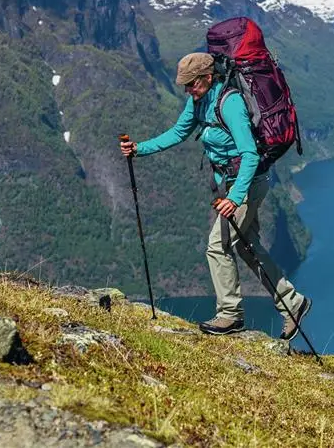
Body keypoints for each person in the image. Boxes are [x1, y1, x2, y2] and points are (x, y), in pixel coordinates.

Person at [120, 52, 311, 339]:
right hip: (230, 184)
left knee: (217, 246)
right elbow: (178, 132)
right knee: (247, 247)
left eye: (191, 84)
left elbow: (249, 155)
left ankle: (230, 315)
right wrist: (140, 148)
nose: (187, 90)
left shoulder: (230, 102)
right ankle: (292, 302)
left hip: (247, 184)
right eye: (185, 85)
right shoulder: (198, 100)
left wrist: (234, 197)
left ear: (208, 78)